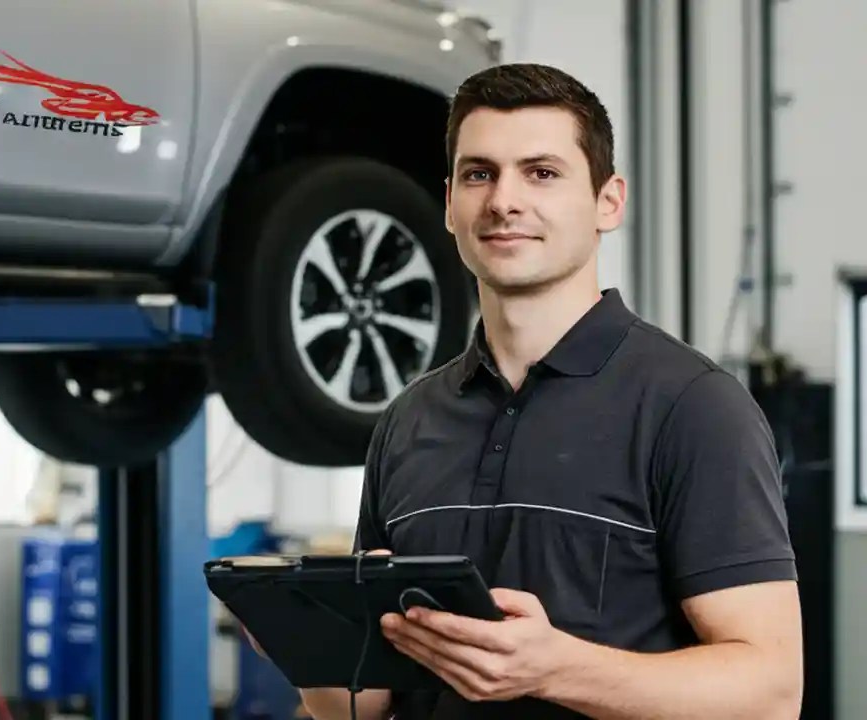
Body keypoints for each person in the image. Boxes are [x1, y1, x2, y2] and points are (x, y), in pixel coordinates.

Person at [291, 63, 804, 719]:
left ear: (608, 201)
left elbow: (770, 694)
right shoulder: (409, 420)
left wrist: (554, 669)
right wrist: (307, 645)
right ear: (449, 203)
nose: (504, 200)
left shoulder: (694, 407)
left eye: (542, 173)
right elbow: (365, 703)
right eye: (480, 174)